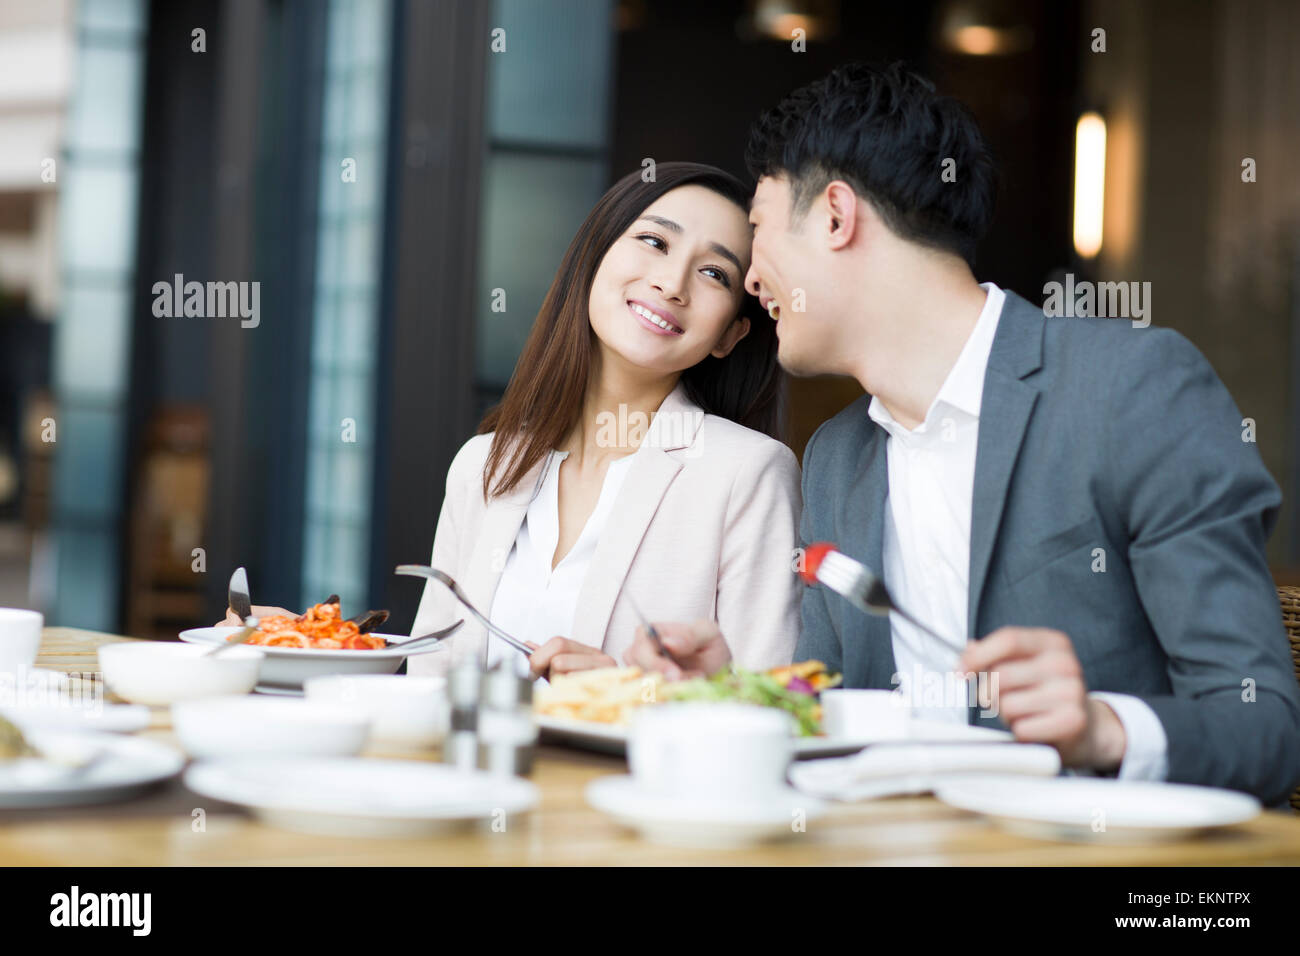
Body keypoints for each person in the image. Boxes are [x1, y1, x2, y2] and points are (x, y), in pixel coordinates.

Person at [626, 64, 1300, 806]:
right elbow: (836, 714)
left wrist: (1102, 729)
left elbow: (1263, 727)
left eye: (758, 232)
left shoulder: (1131, 390)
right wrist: (737, 699)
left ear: (836, 216)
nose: (753, 278)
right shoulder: (835, 460)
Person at [226, 163, 803, 681]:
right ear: (593, 257)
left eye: (714, 275)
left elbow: (771, 706)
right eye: (654, 242)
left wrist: (628, 697)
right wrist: (306, 645)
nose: (671, 284)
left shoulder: (746, 473)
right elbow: (430, 679)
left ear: (731, 333)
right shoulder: (484, 464)